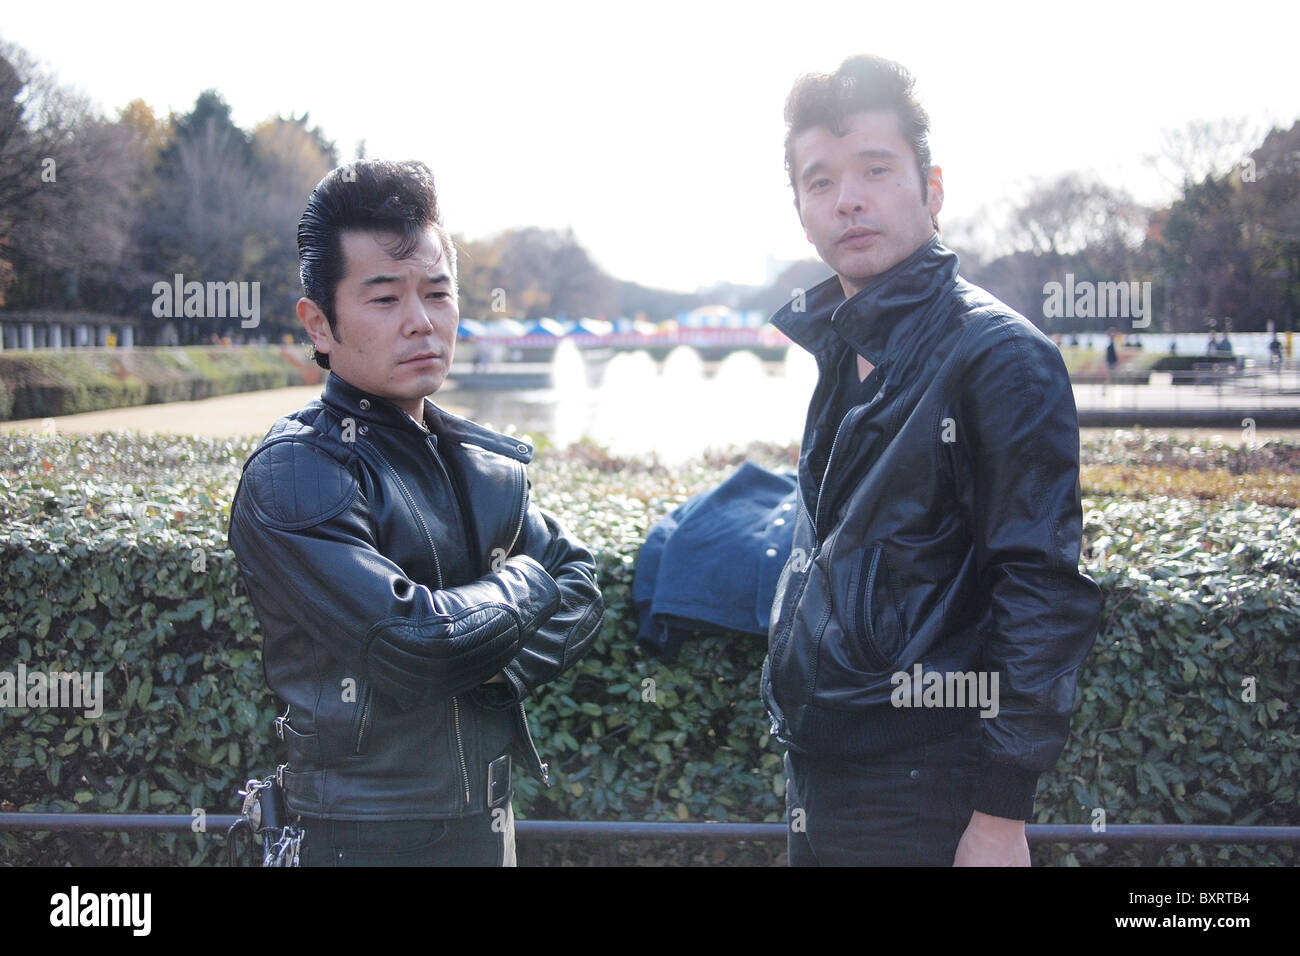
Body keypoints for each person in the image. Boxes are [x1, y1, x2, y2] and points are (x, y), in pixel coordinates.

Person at [760, 55, 1101, 866]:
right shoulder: (844, 346)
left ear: (932, 188)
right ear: (802, 212)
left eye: (876, 170)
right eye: (820, 182)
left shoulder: (999, 356)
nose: (848, 198)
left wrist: (1000, 817)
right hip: (824, 771)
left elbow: (1042, 589)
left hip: (925, 786)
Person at [228, 160, 604, 866]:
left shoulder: (478, 460)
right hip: (362, 836)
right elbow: (416, 647)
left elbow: (583, 584)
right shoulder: (297, 472)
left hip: (490, 821)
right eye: (384, 299)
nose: (421, 322)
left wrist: (485, 655)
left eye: (437, 293)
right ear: (319, 323)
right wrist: (525, 585)